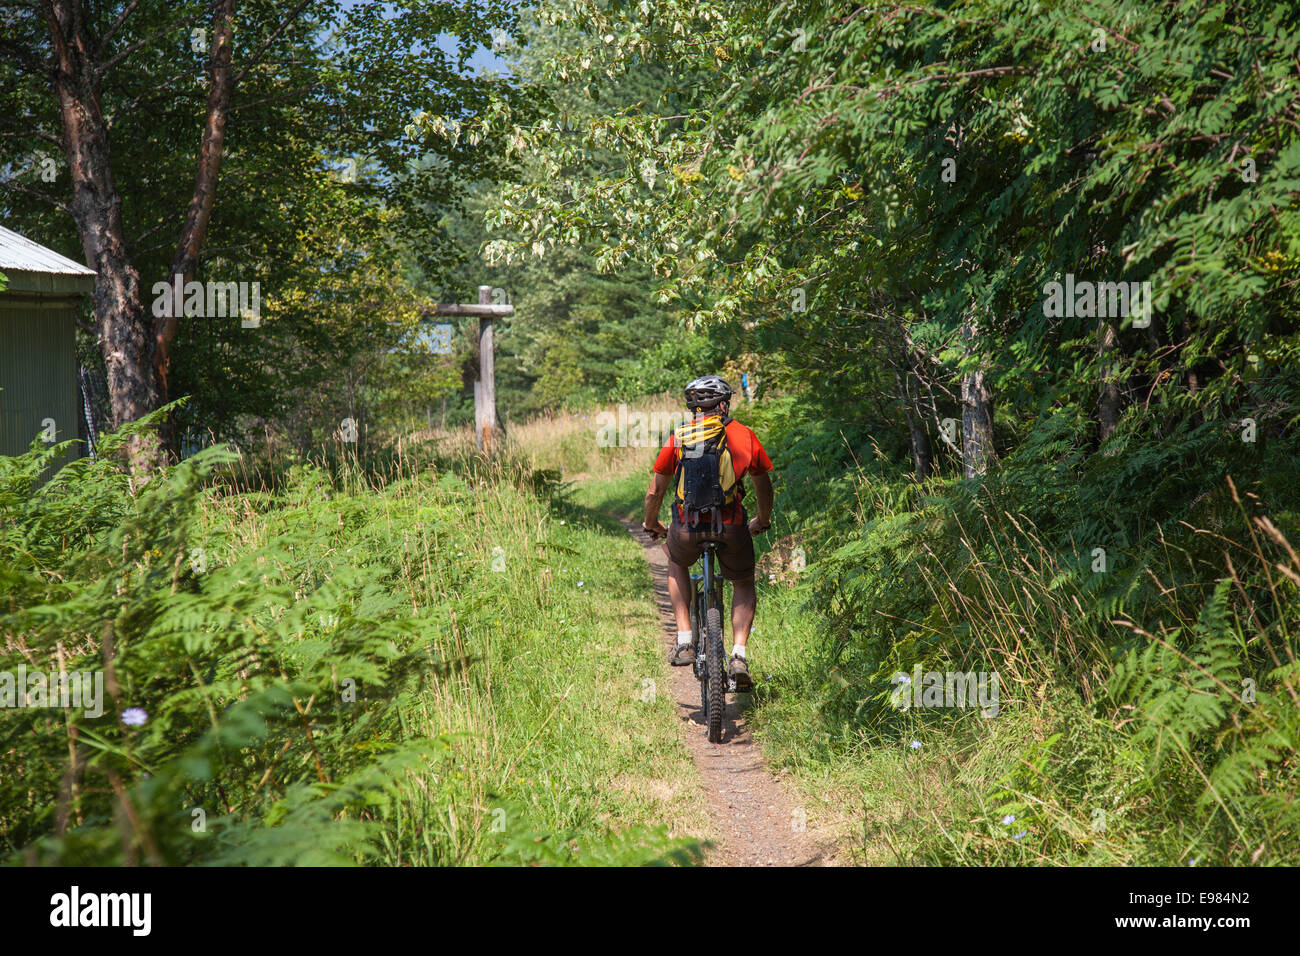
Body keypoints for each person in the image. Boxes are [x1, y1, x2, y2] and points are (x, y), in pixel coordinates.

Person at [642, 375, 773, 691]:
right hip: (731, 528)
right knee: (742, 581)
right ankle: (739, 655)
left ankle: (685, 639)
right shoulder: (743, 435)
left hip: (687, 528)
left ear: (692, 408)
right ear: (724, 404)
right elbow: (762, 484)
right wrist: (762, 519)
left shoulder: (679, 437)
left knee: (676, 561)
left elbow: (655, 491)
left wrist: (651, 523)